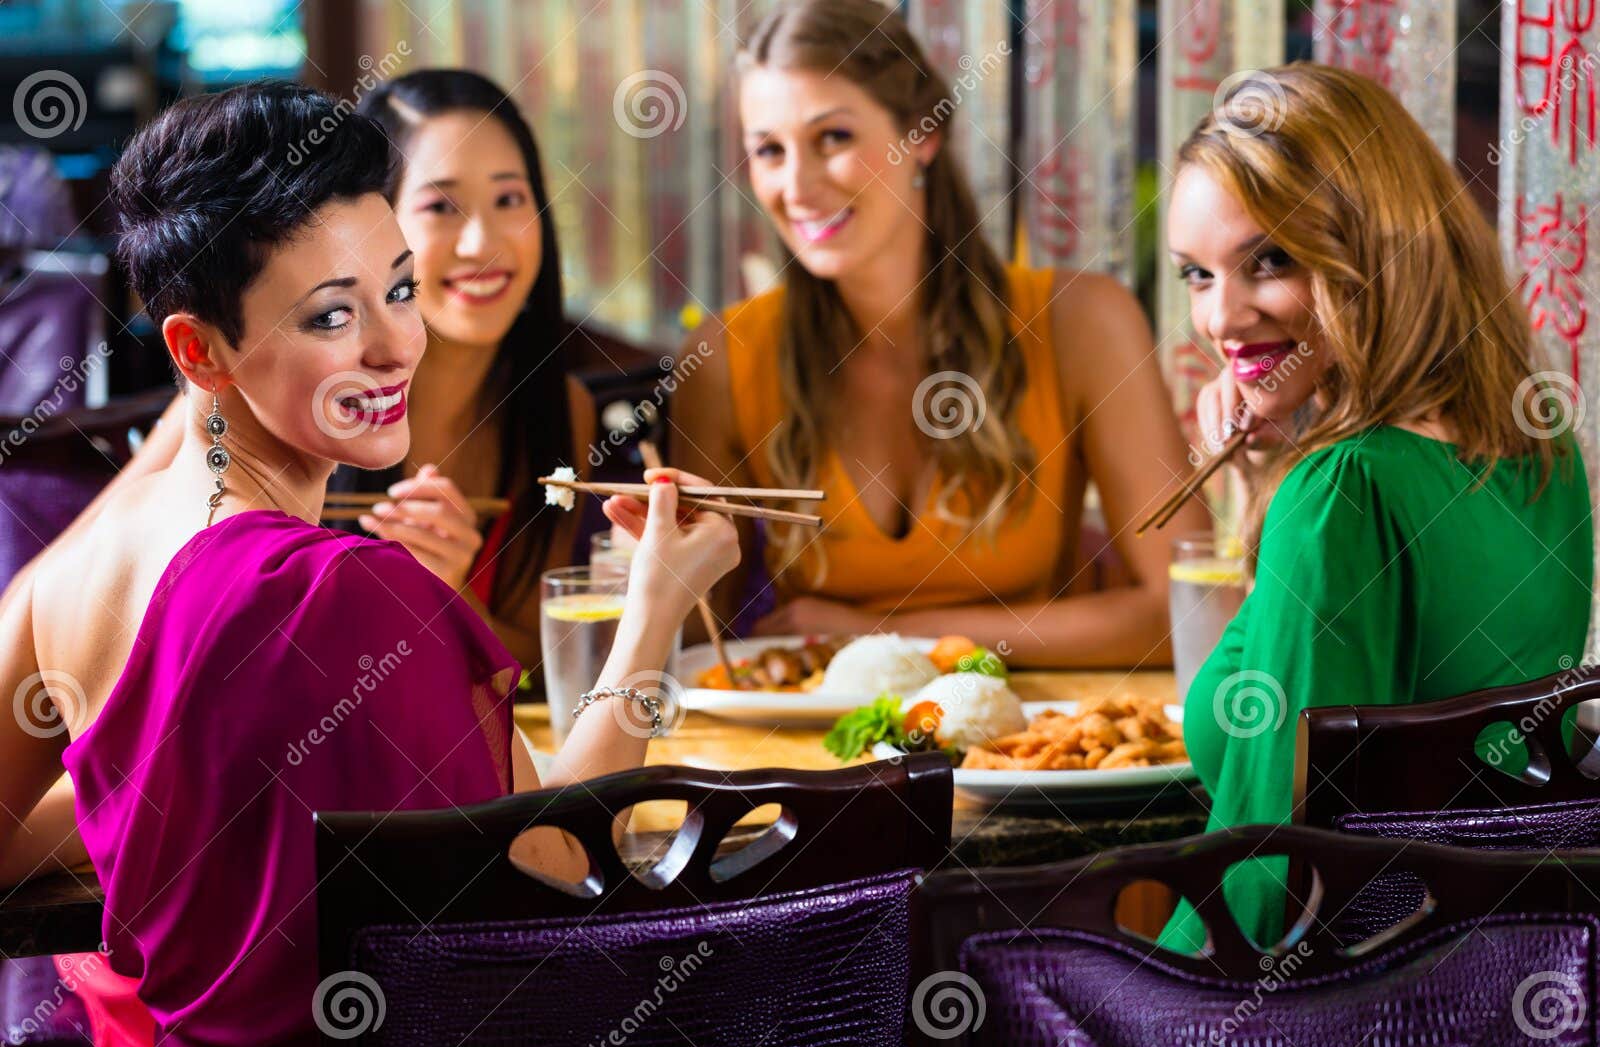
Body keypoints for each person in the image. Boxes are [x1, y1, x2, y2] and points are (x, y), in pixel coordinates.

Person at [0, 82, 737, 1047]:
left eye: (396, 289)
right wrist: (654, 614)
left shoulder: (73, 569)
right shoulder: (350, 593)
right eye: (330, 317)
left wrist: (179, 806)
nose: (396, 346)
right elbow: (556, 869)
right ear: (195, 347)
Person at [1160, 63, 1592, 952]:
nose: (1222, 318)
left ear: (1375, 251)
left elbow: (1271, 875)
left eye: (1269, 260)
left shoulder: (1340, 494)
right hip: (1502, 982)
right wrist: (1262, 483)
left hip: (1319, 1021)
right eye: (1197, 274)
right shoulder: (1544, 448)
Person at [671, 0, 1203, 666]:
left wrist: (883, 633)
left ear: (921, 134)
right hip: (818, 758)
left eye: (833, 138)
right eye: (768, 151)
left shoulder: (1083, 323)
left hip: (1025, 753)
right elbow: (700, 648)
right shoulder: (723, 359)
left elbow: (1185, 612)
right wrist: (651, 575)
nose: (797, 185)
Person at [326, 69, 591, 677]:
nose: (483, 243)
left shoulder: (555, 409)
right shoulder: (284, 393)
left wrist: (448, 593)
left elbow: (528, 662)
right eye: (441, 206)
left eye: (509, 200)